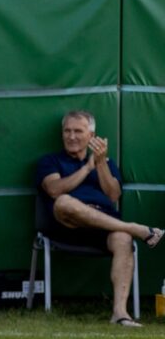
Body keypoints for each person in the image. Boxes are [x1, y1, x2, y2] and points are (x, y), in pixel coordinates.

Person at [36, 110, 163, 326]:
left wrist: (100, 163)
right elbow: (55, 190)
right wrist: (87, 168)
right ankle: (135, 228)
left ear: (91, 136)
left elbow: (113, 194)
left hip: (103, 228)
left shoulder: (107, 163)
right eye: (67, 131)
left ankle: (120, 313)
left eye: (78, 131)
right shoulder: (51, 161)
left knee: (123, 239)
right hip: (67, 226)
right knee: (65, 202)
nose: (72, 136)